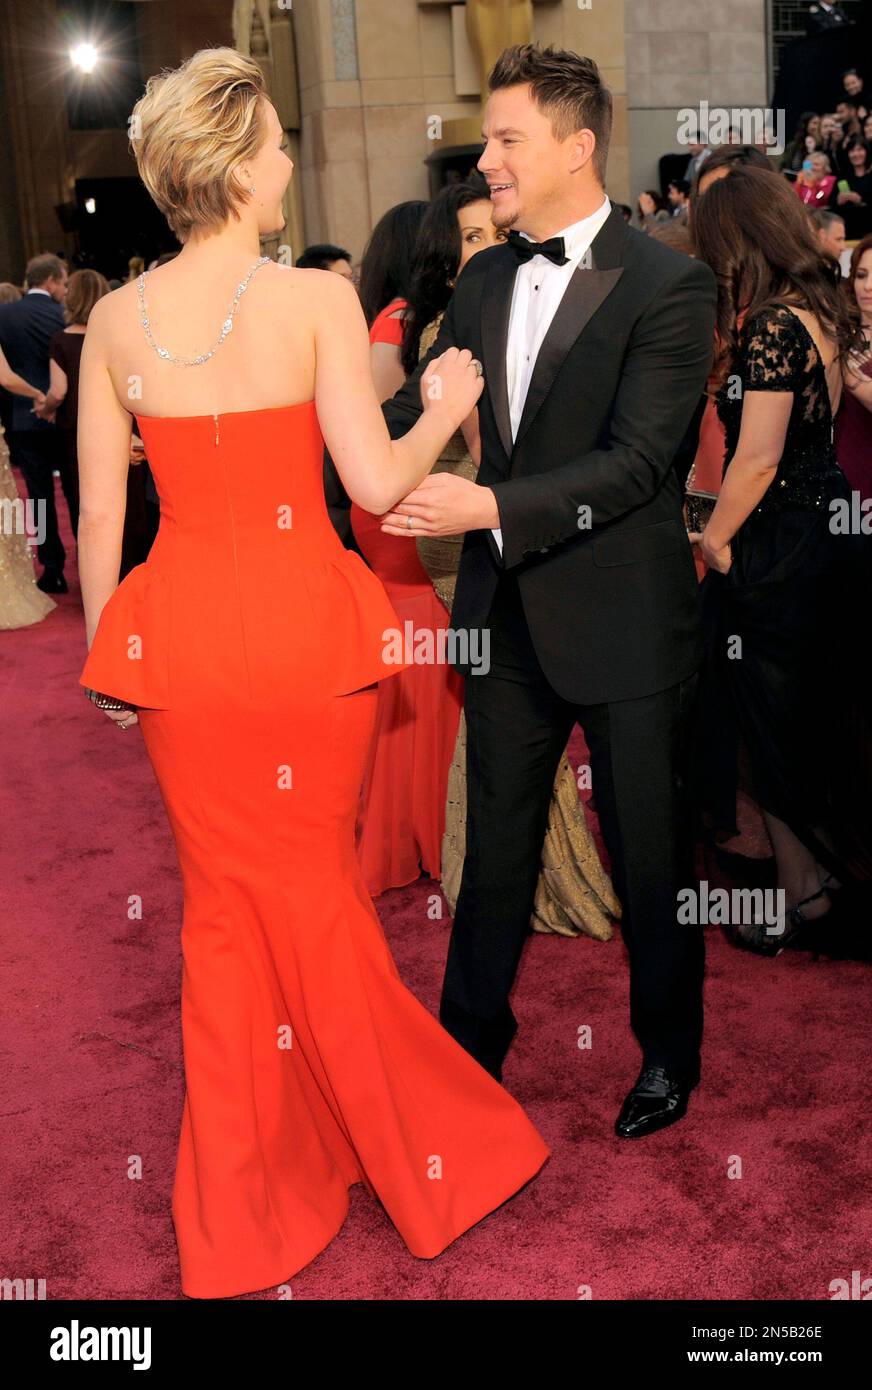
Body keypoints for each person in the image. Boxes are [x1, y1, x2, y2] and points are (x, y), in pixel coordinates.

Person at [76, 46, 548, 1300]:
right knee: (316, 903)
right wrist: (447, 394)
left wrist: (105, 652)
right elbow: (379, 488)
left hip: (182, 650)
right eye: (279, 143)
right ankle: (419, 1149)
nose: (291, 159)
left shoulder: (114, 321)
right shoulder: (312, 303)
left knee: (226, 920)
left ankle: (248, 1199)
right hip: (300, 642)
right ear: (234, 168)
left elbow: (101, 519)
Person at [366, 43, 717, 1138]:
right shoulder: (476, 277)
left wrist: (488, 511)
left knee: (647, 854)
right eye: (486, 137)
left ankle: (666, 1053)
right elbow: (466, 420)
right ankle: (467, 1052)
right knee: (495, 855)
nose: (487, 159)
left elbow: (637, 462)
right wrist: (431, 401)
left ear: (576, 146)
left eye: (508, 138)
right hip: (506, 618)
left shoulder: (669, 280)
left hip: (624, 616)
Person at [401, 173, 619, 941]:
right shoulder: (445, 334)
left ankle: (545, 870)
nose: (485, 249)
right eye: (467, 239)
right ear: (445, 255)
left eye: (492, 233)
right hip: (461, 531)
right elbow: (446, 443)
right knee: (497, 720)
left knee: (530, 718)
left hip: (532, 527)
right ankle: (508, 878)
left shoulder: (563, 301)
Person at [692, 166, 872, 955]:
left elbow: (758, 458)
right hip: (822, 531)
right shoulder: (822, 308)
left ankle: (810, 895)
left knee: (768, 728)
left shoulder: (771, 325)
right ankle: (813, 886)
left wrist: (715, 537)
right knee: (801, 720)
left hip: (777, 543)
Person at [0, 255, 69, 592]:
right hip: (65, 417)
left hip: (23, 418)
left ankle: (52, 569)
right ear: (52, 281)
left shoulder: (4, 314)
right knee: (77, 492)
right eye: (64, 282)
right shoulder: (63, 315)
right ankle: (90, 565)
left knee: (39, 498)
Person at [834, 233, 872, 501]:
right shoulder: (838, 334)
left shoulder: (838, 347)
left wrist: (845, 370)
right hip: (845, 473)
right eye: (861, 275)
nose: (868, 286)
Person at [835, 135, 872, 238]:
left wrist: (861, 199)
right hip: (848, 231)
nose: (856, 154)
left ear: (867, 152)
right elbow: (831, 203)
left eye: (860, 150)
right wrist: (838, 200)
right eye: (852, 151)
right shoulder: (842, 177)